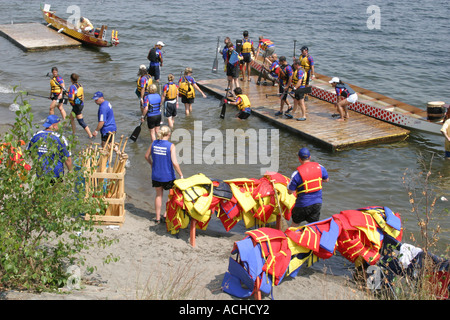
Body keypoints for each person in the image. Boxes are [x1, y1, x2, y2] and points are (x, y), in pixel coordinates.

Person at [145, 125, 183, 224]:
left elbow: (146, 156)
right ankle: (166, 215)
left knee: (158, 195)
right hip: (168, 176)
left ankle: (157, 218)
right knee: (171, 196)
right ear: (169, 134)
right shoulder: (171, 146)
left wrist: (152, 164)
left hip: (156, 174)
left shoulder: (154, 143)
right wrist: (181, 174)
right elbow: (174, 162)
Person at [287, 147, 329, 227]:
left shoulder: (296, 174)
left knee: (295, 225)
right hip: (317, 203)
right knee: (312, 226)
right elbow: (326, 179)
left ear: (299, 159)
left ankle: (290, 237)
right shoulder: (320, 167)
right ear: (310, 157)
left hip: (302, 204)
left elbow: (290, 191)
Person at [27, 115, 72, 182]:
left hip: (41, 172)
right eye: (59, 124)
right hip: (56, 173)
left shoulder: (35, 136)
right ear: (54, 126)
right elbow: (67, 158)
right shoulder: (60, 138)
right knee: (55, 191)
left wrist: (37, 160)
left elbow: (29, 152)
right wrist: (70, 171)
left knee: (42, 191)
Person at [67, 73, 93, 138]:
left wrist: (66, 94)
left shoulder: (72, 87)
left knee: (81, 122)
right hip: (80, 104)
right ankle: (73, 133)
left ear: (71, 79)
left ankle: (90, 135)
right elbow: (82, 95)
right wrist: (81, 103)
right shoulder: (80, 85)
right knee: (71, 118)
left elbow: (71, 98)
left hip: (76, 106)